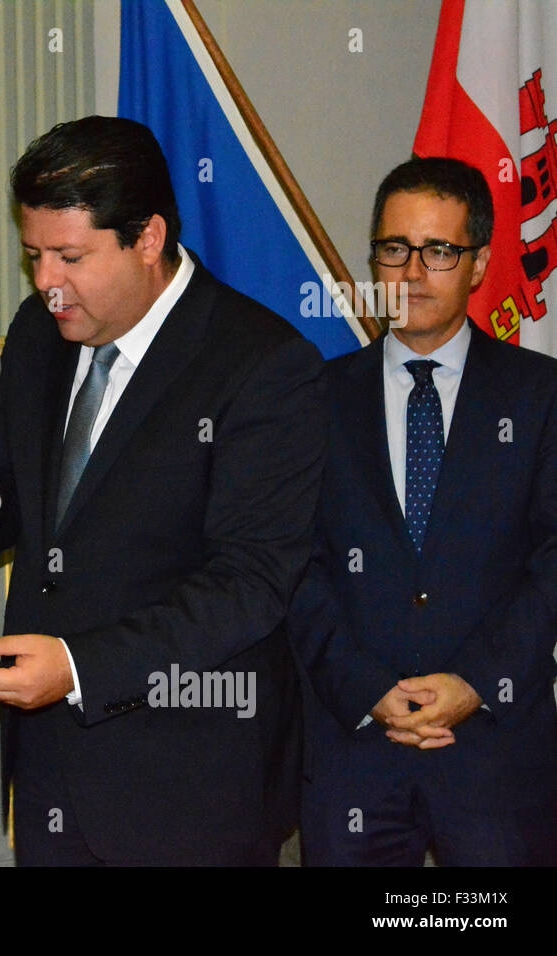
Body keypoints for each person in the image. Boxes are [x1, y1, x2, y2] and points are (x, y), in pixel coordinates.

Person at [0, 116, 325, 865]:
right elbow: (34, 511)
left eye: (70, 256)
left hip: (190, 785)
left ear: (148, 238)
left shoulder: (262, 366)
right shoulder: (40, 333)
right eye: (34, 255)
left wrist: (77, 667)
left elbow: (250, 586)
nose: (46, 284)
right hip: (49, 777)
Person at [288, 157, 557, 865]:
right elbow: (290, 563)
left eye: (439, 251)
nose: (412, 273)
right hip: (354, 752)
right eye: (394, 249)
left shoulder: (539, 396)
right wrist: (368, 688)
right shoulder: (313, 399)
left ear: (478, 264)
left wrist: (475, 682)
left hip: (496, 755)